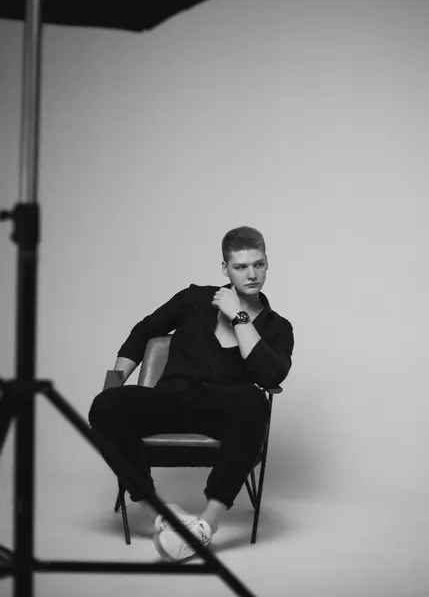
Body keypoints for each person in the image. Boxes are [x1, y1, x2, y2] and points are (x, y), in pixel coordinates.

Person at [88, 226, 294, 561]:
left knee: (254, 401)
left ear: (267, 264)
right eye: (241, 267)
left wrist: (239, 316)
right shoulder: (193, 299)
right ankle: (161, 512)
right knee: (105, 405)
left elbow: (270, 375)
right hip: (169, 399)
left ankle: (206, 525)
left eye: (258, 264)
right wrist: (114, 381)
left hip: (222, 410)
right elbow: (143, 331)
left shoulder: (277, 327)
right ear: (225, 268)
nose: (251, 274)